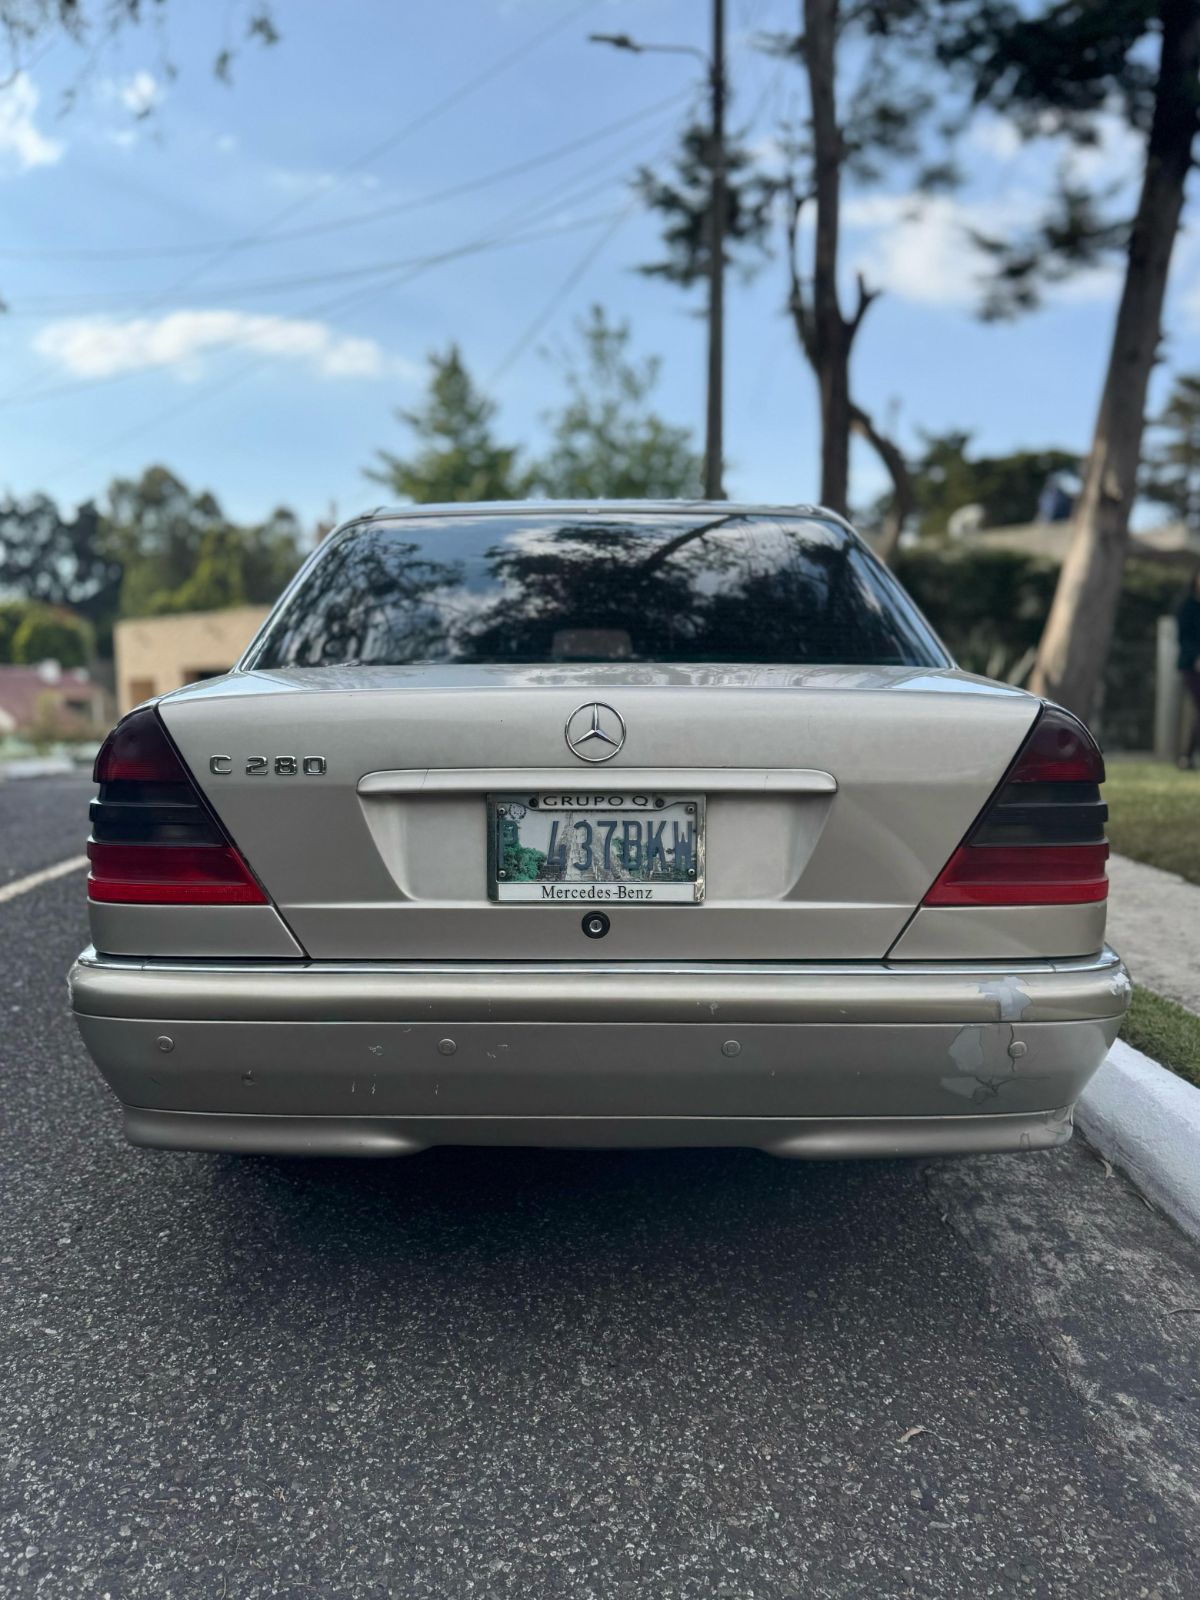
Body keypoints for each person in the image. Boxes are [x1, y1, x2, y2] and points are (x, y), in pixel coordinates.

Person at [1178, 565, 1200, 769]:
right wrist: (1195, 658)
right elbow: (1184, 638)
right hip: (1191, 667)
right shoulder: (1188, 606)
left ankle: (1187, 755)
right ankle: (1186, 755)